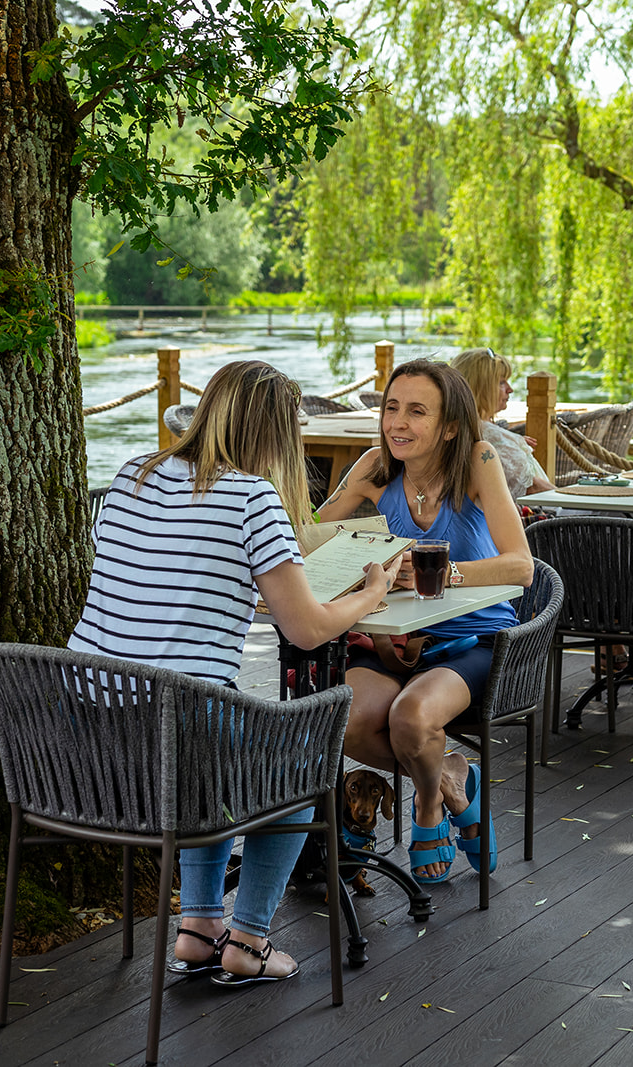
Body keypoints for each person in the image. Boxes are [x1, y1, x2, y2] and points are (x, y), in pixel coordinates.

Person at [68, 360, 398, 987]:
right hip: (173, 727)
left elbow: (167, 581)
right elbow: (306, 630)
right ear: (277, 433)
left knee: (221, 737)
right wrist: (370, 593)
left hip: (85, 730)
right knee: (301, 759)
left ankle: (198, 930)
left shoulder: (132, 473)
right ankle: (246, 941)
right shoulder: (252, 497)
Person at [315, 360, 534, 885]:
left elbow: (522, 566)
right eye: (392, 408)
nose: (398, 423)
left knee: (411, 719)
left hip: (473, 638)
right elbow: (314, 533)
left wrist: (440, 572)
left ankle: (429, 807)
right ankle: (450, 778)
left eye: (417, 411)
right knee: (344, 719)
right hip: (394, 642)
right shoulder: (376, 466)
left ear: (450, 426)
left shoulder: (478, 460)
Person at [450, 347, 554, 502]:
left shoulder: (458, 430)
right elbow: (532, 488)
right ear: (481, 388)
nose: (510, 390)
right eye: (501, 383)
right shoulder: (489, 436)